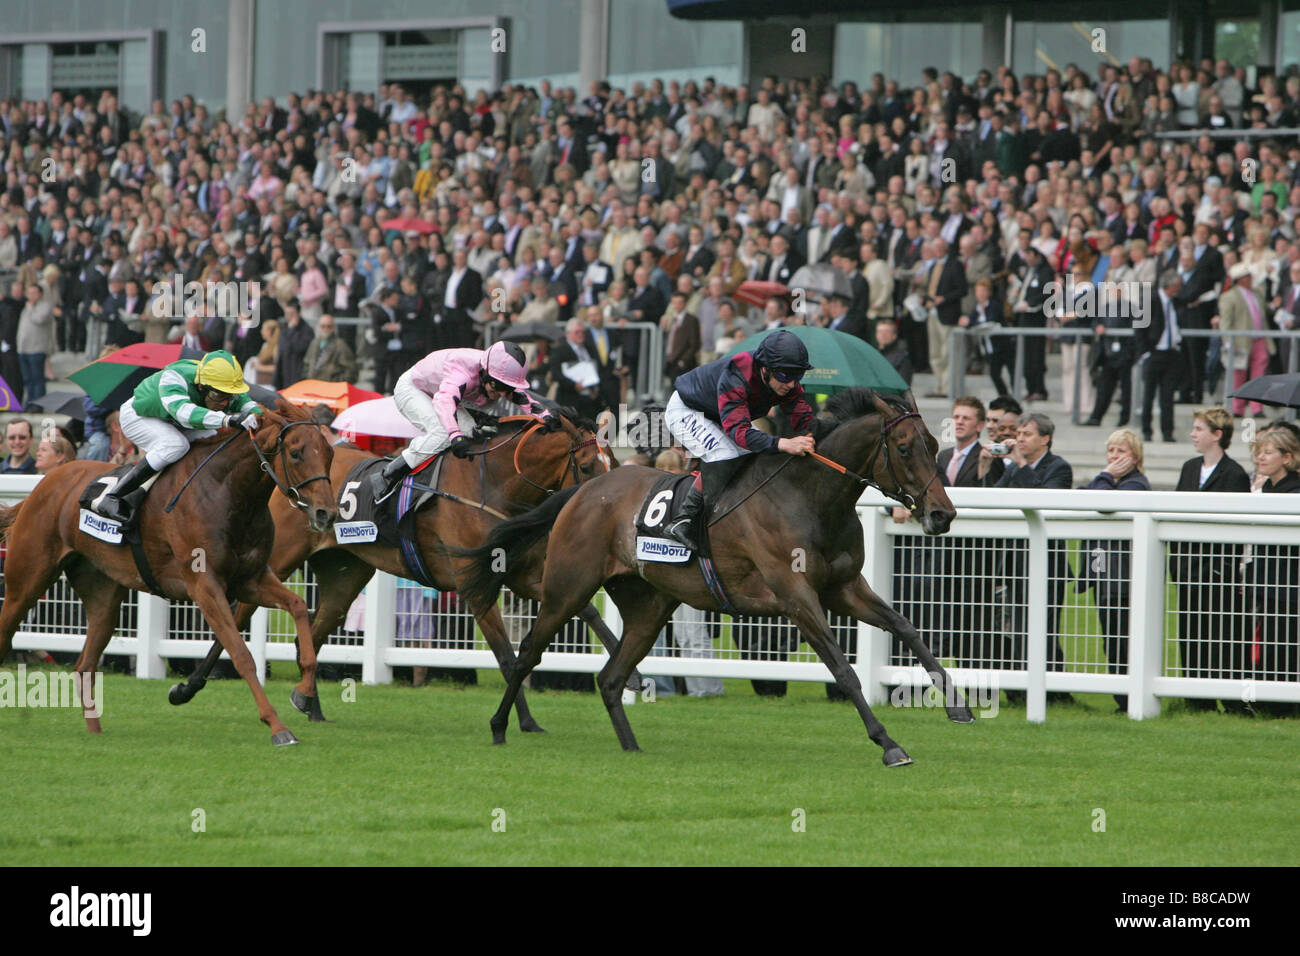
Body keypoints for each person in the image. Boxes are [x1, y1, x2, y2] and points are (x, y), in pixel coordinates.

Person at [661, 329, 816, 551]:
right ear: (765, 369)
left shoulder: (785, 380)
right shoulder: (737, 374)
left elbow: (804, 419)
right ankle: (683, 521)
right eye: (784, 376)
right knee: (724, 454)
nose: (791, 384)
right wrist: (783, 443)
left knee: (748, 455)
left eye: (797, 376)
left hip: (719, 412)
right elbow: (739, 433)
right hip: (688, 409)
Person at [368, 341, 555, 503]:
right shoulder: (462, 374)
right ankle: (387, 476)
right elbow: (443, 402)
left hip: (437, 390)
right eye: (499, 387)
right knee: (444, 433)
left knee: (471, 431)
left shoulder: (492, 372)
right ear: (485, 373)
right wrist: (454, 435)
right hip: (413, 390)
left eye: (508, 388)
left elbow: (520, 397)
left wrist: (546, 416)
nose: (502, 394)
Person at [92, 350, 261, 521]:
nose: (224, 403)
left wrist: (263, 418)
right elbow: (184, 414)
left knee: (213, 440)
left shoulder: (221, 383)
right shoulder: (174, 377)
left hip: (173, 421)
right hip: (139, 415)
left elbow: (250, 406)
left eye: (229, 396)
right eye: (218, 395)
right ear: (201, 387)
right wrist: (228, 420)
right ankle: (114, 496)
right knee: (176, 445)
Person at [1172, 407, 1250, 711]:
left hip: (1217, 574)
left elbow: (1234, 527)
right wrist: (1178, 566)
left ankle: (1231, 701)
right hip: (1188, 571)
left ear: (1217, 435)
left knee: (1221, 636)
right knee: (1190, 634)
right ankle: (1196, 700)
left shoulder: (1234, 474)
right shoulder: (1189, 468)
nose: (1193, 434)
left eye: (1199, 429)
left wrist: (1219, 569)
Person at [1076, 429, 1151, 712]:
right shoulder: (1107, 482)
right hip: (1105, 577)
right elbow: (1082, 496)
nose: (1114, 457)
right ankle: (1122, 698)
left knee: (1123, 640)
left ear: (1135, 457)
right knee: (1111, 639)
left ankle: (1129, 699)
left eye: (1120, 452)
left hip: (1125, 578)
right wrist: (1105, 477)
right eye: (1111, 452)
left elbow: (1105, 501)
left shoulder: (1136, 484)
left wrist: (1105, 475)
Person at [1244, 424, 1300, 716]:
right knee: (1267, 638)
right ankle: (1267, 699)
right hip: (1266, 577)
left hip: (1288, 581)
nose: (1260, 458)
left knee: (1286, 641)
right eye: (1258, 452)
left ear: (1287, 458)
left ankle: (1283, 703)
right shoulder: (1267, 488)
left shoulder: (1293, 490)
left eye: (1268, 452)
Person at [305, 313, 358, 384]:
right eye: (323, 326)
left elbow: (351, 369)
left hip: (331, 386)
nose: (325, 329)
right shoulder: (314, 343)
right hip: (314, 385)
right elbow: (306, 364)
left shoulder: (340, 344)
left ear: (333, 328)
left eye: (329, 326)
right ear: (319, 327)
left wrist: (339, 382)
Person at [873, 317, 913, 385]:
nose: (883, 334)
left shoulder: (902, 358)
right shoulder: (871, 355)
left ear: (894, 336)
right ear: (876, 335)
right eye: (880, 331)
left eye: (887, 332)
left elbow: (903, 386)